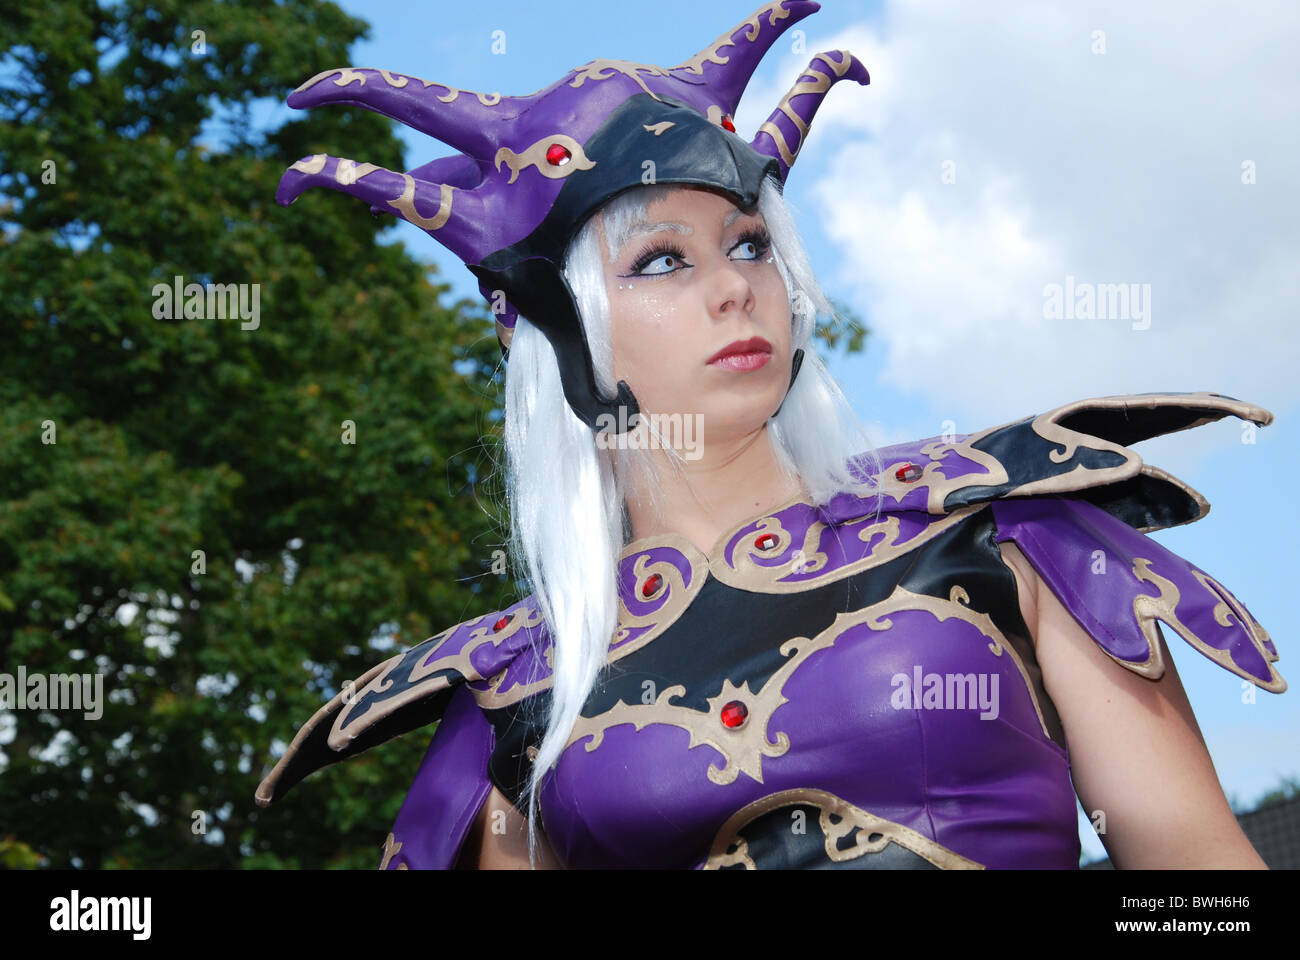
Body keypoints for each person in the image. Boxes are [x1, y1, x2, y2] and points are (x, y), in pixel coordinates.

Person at [254, 1, 1285, 870]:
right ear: (555, 327)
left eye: (749, 242)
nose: (732, 287)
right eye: (659, 260)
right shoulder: (516, 686)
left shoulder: (1004, 528)